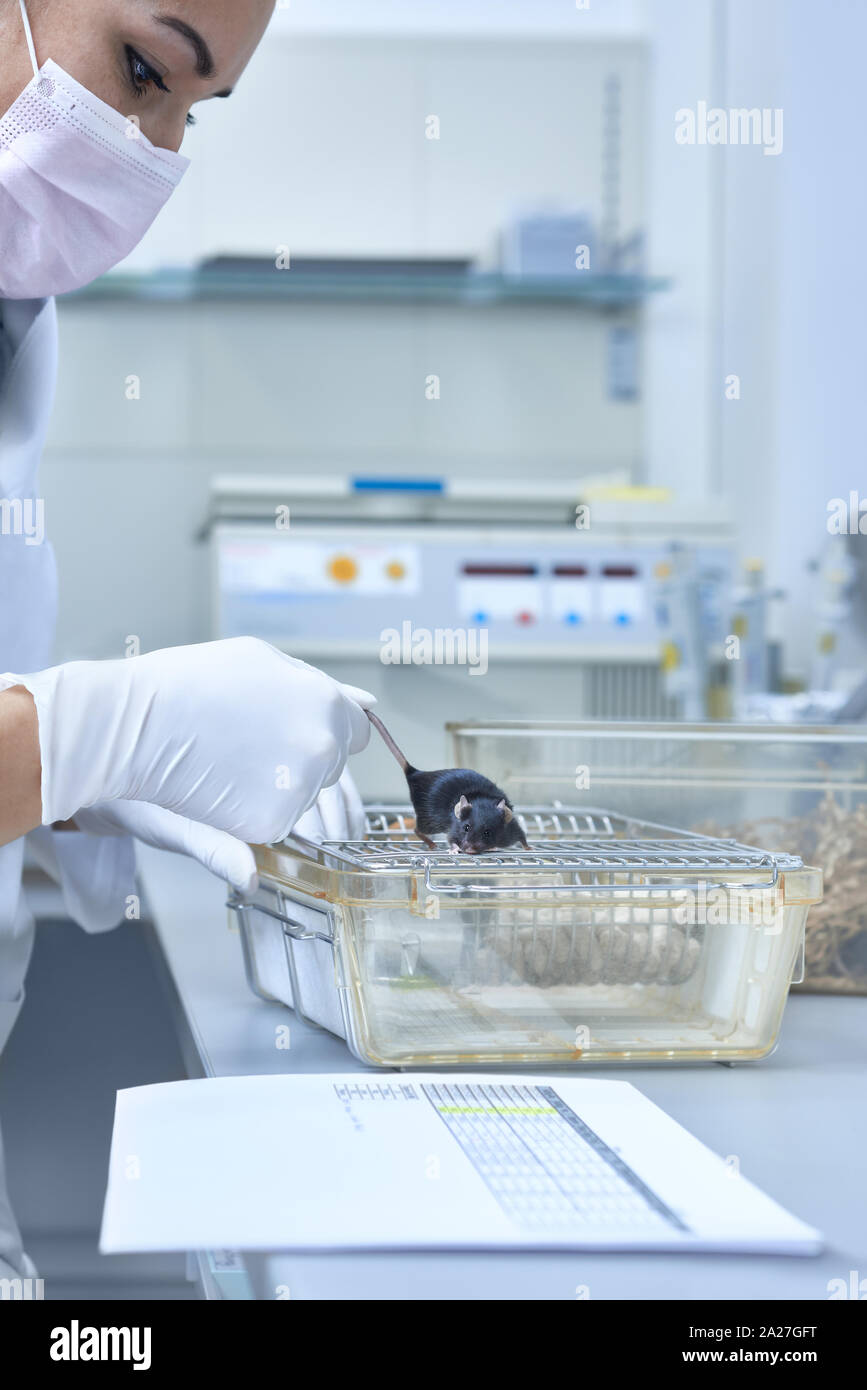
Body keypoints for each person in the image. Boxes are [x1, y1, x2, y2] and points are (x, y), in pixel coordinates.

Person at [0, 0, 371, 1280]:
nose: (151, 148)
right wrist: (86, 737)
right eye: (146, 69)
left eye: (189, 112)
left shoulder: (13, 309)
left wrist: (69, 797)